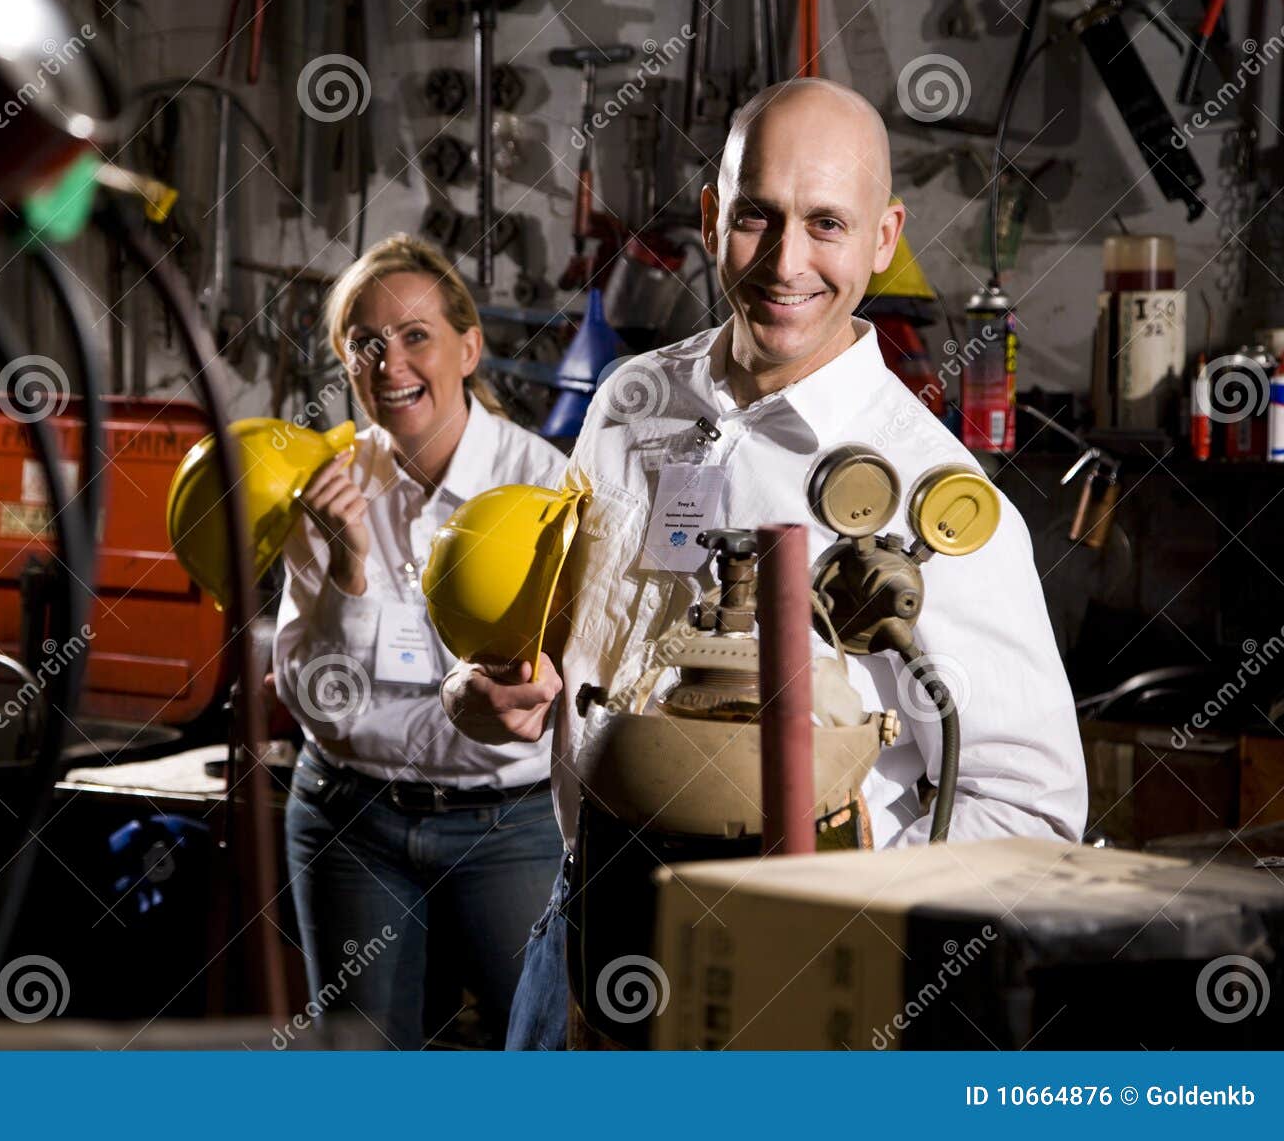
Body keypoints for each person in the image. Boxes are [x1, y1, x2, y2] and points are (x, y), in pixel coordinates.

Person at [441, 79, 1089, 1049]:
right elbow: (543, 655)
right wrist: (482, 691)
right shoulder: (628, 404)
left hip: (783, 978)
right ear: (712, 217)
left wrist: (842, 870)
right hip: (576, 937)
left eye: (827, 223)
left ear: (883, 236)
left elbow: (1034, 810)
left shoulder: (930, 494)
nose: (788, 262)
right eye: (757, 217)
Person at [273, 234, 567, 1049]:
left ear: (468, 347)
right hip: (349, 819)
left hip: (511, 825)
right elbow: (315, 700)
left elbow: (567, 693)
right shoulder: (331, 489)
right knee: (363, 1079)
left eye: (415, 336)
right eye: (366, 343)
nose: (390, 363)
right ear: (345, 360)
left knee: (539, 1059)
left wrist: (426, 718)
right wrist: (351, 571)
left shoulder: (545, 488)